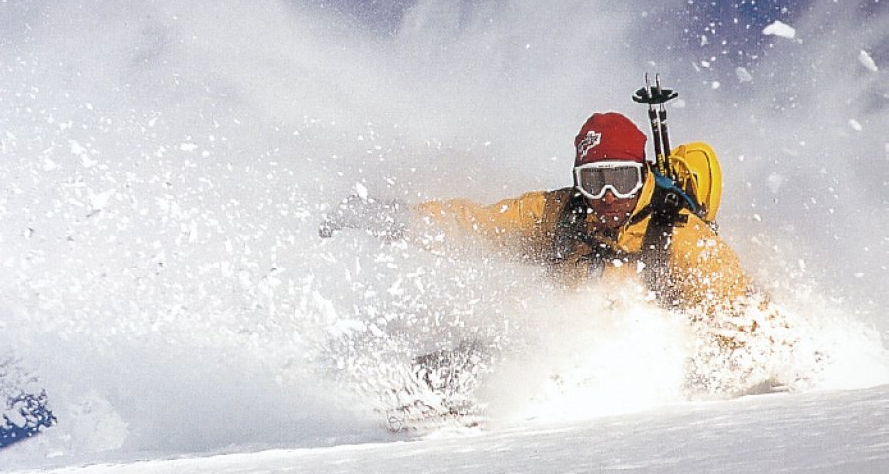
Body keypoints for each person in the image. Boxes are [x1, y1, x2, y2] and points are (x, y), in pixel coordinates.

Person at [320, 112, 753, 319]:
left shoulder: (679, 237)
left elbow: (742, 315)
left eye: (620, 179)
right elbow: (478, 225)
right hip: (556, 348)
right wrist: (397, 220)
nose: (606, 196)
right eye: (593, 179)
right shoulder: (558, 214)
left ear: (642, 177)